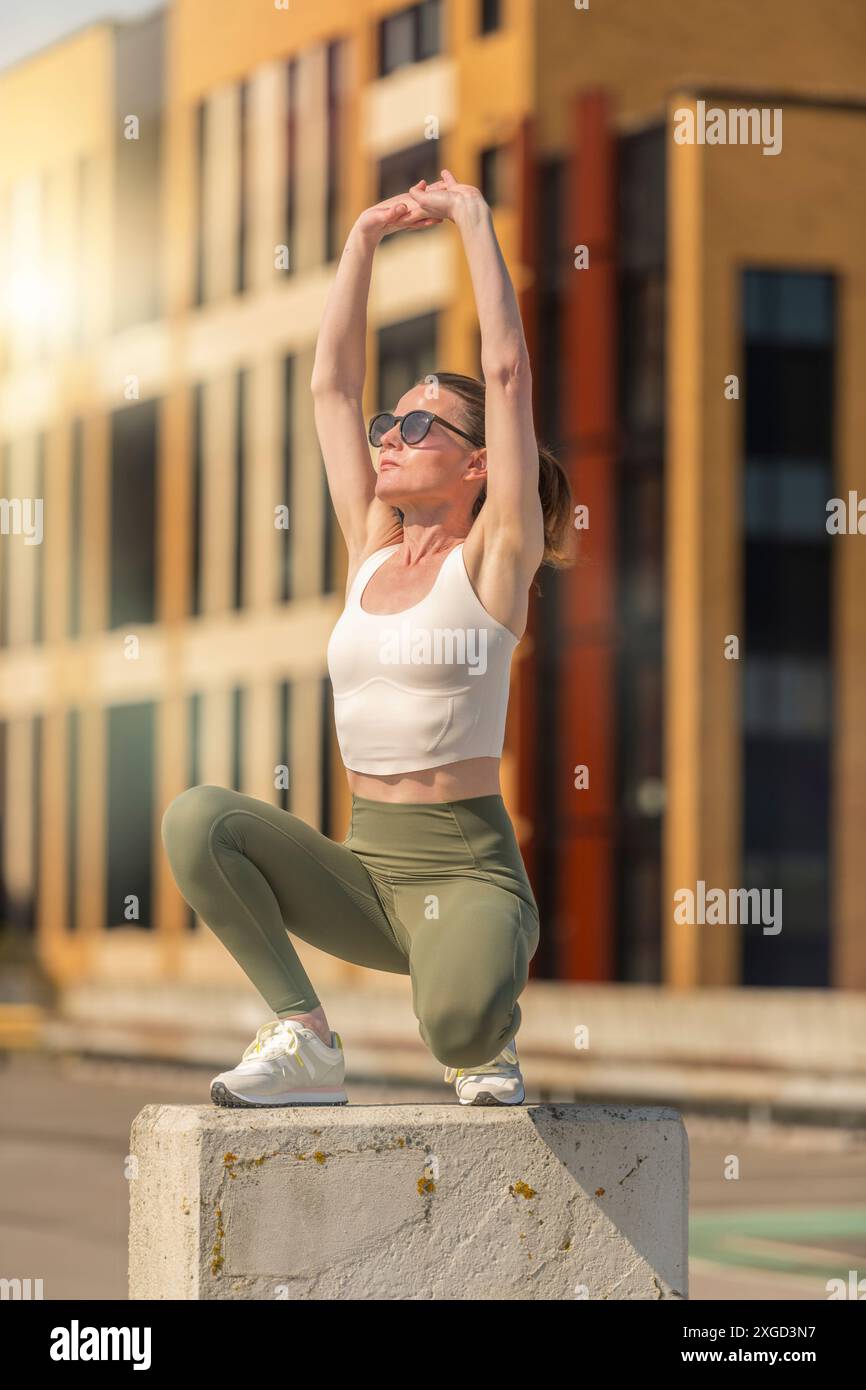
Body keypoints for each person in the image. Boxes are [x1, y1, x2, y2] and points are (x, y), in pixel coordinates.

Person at [160, 170, 574, 1107]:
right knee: (199, 820)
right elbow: (330, 387)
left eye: (419, 424)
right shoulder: (369, 550)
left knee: (457, 1029)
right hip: (366, 872)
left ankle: (486, 1034)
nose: (389, 433)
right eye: (390, 421)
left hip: (465, 872)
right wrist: (363, 238)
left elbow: (507, 373)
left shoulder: (497, 559)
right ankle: (303, 1039)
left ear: (478, 464)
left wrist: (472, 217)